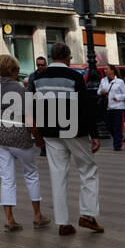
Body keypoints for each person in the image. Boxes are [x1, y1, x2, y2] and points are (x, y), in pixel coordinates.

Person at [27, 41, 102, 235]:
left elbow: (31, 108)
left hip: (50, 132)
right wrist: (94, 135)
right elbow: (85, 106)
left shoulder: (38, 78)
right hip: (75, 130)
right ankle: (87, 214)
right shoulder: (74, 76)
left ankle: (63, 222)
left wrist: (37, 134)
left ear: (51, 57)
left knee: (58, 175)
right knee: (88, 169)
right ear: (67, 56)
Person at [0, 53, 50, 231]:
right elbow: (29, 119)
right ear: (14, 70)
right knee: (31, 173)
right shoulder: (20, 90)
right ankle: (37, 215)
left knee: (7, 178)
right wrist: (39, 138)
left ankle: (9, 218)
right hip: (19, 136)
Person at [99, 67, 125, 150]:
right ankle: (119, 136)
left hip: (118, 107)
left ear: (112, 71)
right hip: (107, 107)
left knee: (117, 126)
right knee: (109, 125)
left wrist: (118, 97)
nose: (105, 70)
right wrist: (101, 92)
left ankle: (117, 145)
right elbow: (98, 91)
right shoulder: (103, 80)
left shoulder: (120, 82)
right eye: (104, 69)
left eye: (107, 69)